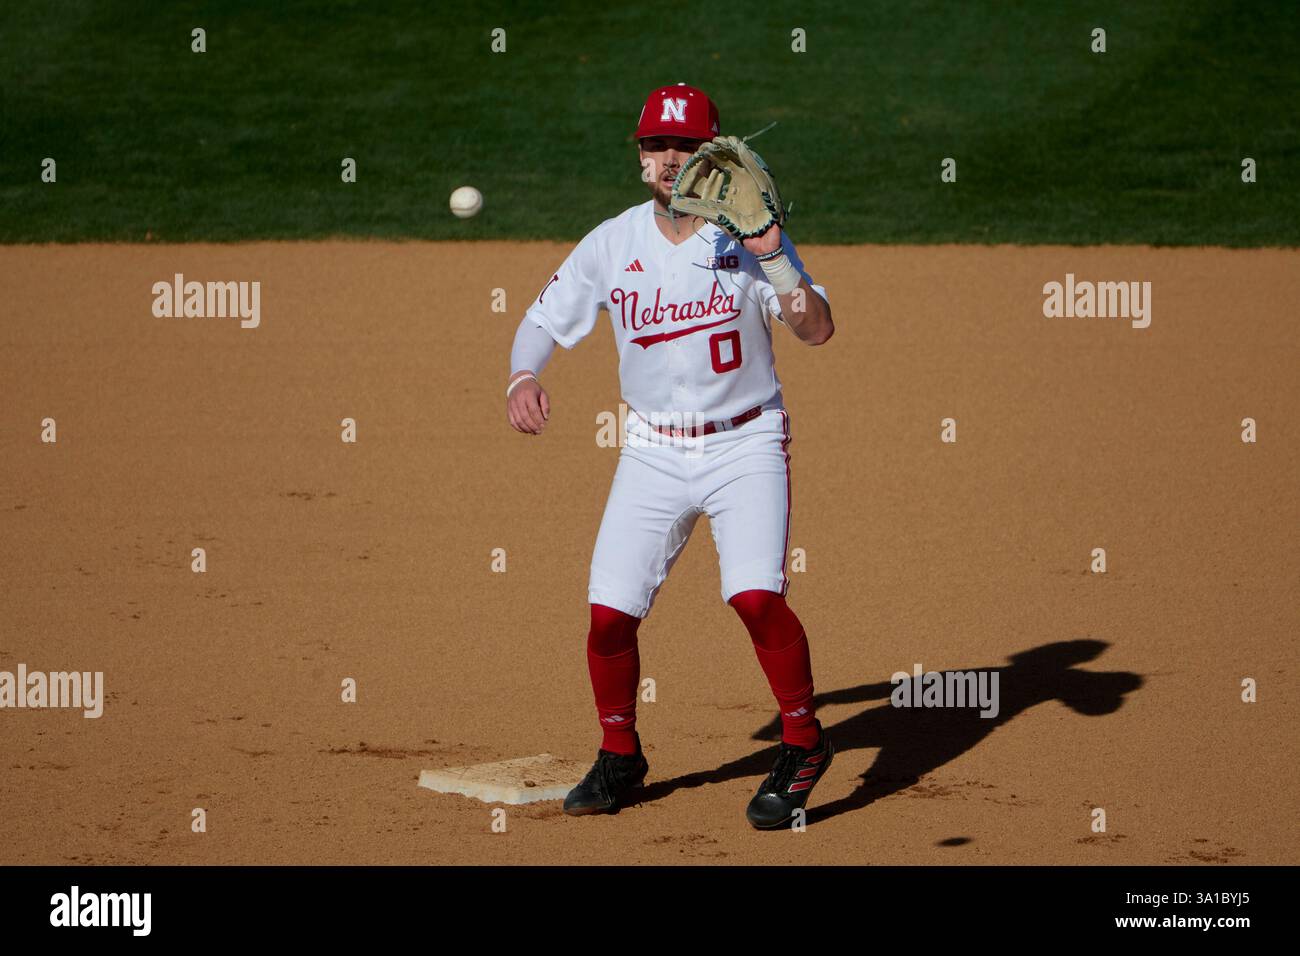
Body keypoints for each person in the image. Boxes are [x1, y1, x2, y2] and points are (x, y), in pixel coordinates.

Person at [504, 83, 835, 829]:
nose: (668, 160)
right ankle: (619, 756)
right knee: (607, 618)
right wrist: (524, 374)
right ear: (641, 158)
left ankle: (804, 742)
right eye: (656, 146)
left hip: (746, 440)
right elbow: (540, 319)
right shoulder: (611, 243)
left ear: (716, 158)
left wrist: (776, 258)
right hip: (652, 449)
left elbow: (816, 330)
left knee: (754, 598)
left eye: (685, 147)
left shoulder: (748, 239)